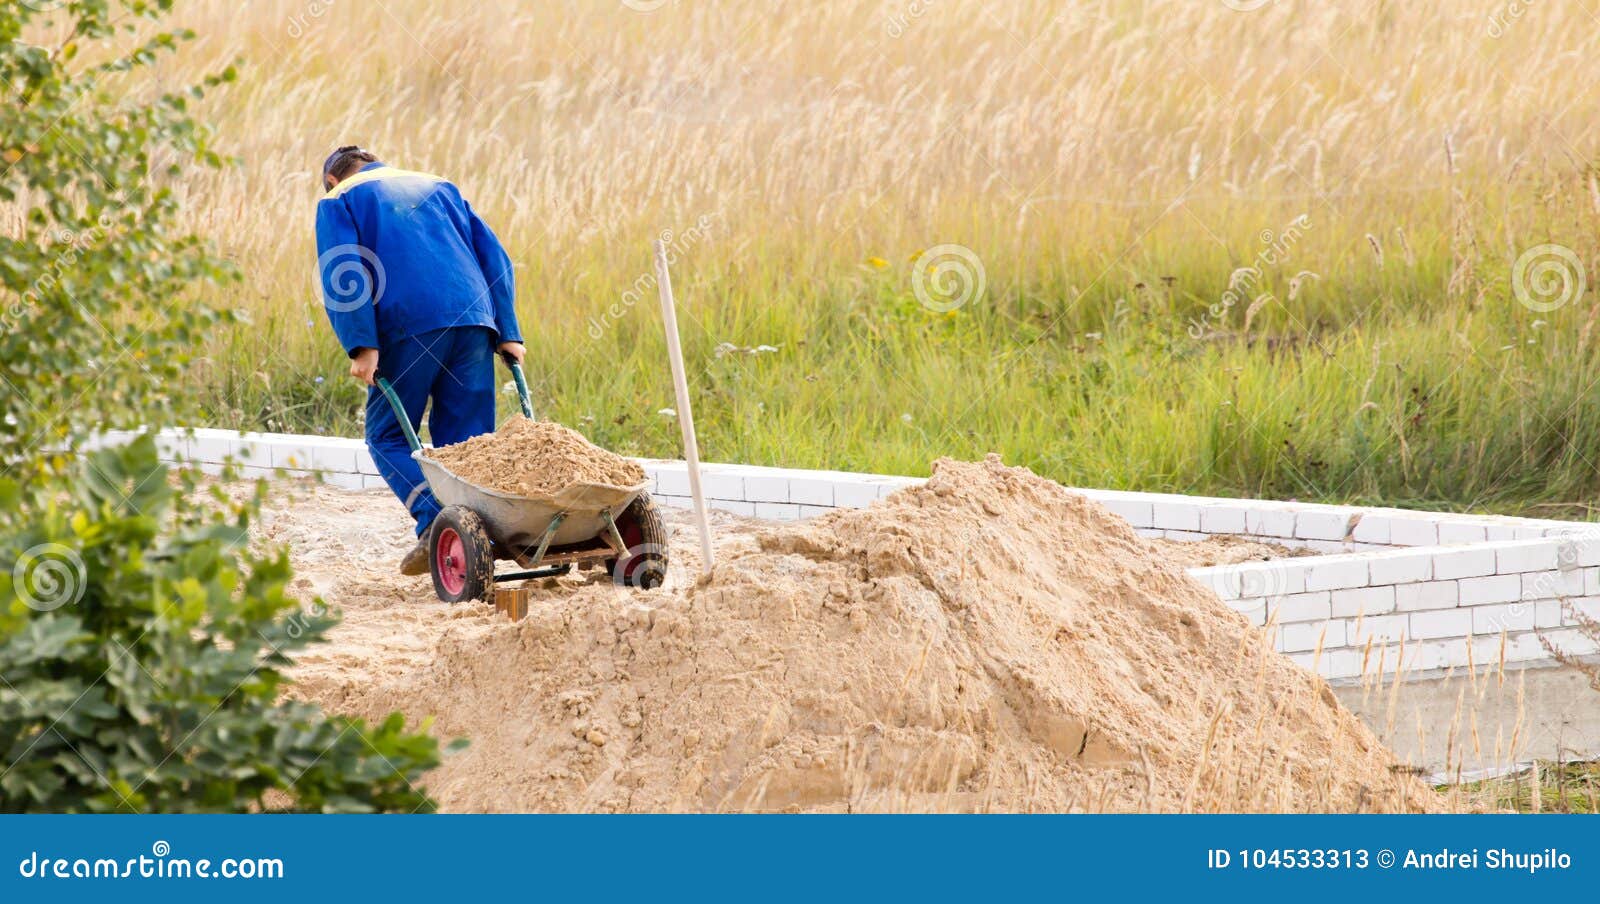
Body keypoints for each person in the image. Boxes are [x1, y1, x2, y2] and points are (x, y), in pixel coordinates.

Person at [314, 145, 525, 575]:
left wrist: (361, 344)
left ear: (333, 178)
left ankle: (436, 522)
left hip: (406, 324)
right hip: (474, 320)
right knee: (468, 442)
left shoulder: (339, 199)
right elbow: (494, 257)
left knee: (387, 436)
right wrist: (509, 330)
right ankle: (478, 533)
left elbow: (342, 268)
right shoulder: (439, 186)